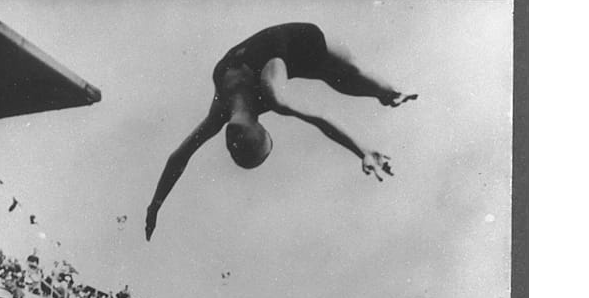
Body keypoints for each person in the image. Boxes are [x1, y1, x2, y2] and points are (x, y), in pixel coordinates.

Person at [144, 22, 416, 240]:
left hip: (281, 45)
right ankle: (388, 93)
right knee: (342, 75)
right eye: (246, 150)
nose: (235, 147)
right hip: (299, 43)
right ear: (259, 128)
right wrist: (362, 150)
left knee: (343, 76)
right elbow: (319, 117)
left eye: (234, 152)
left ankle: (385, 93)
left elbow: (179, 157)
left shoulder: (220, 113)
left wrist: (155, 205)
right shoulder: (271, 95)